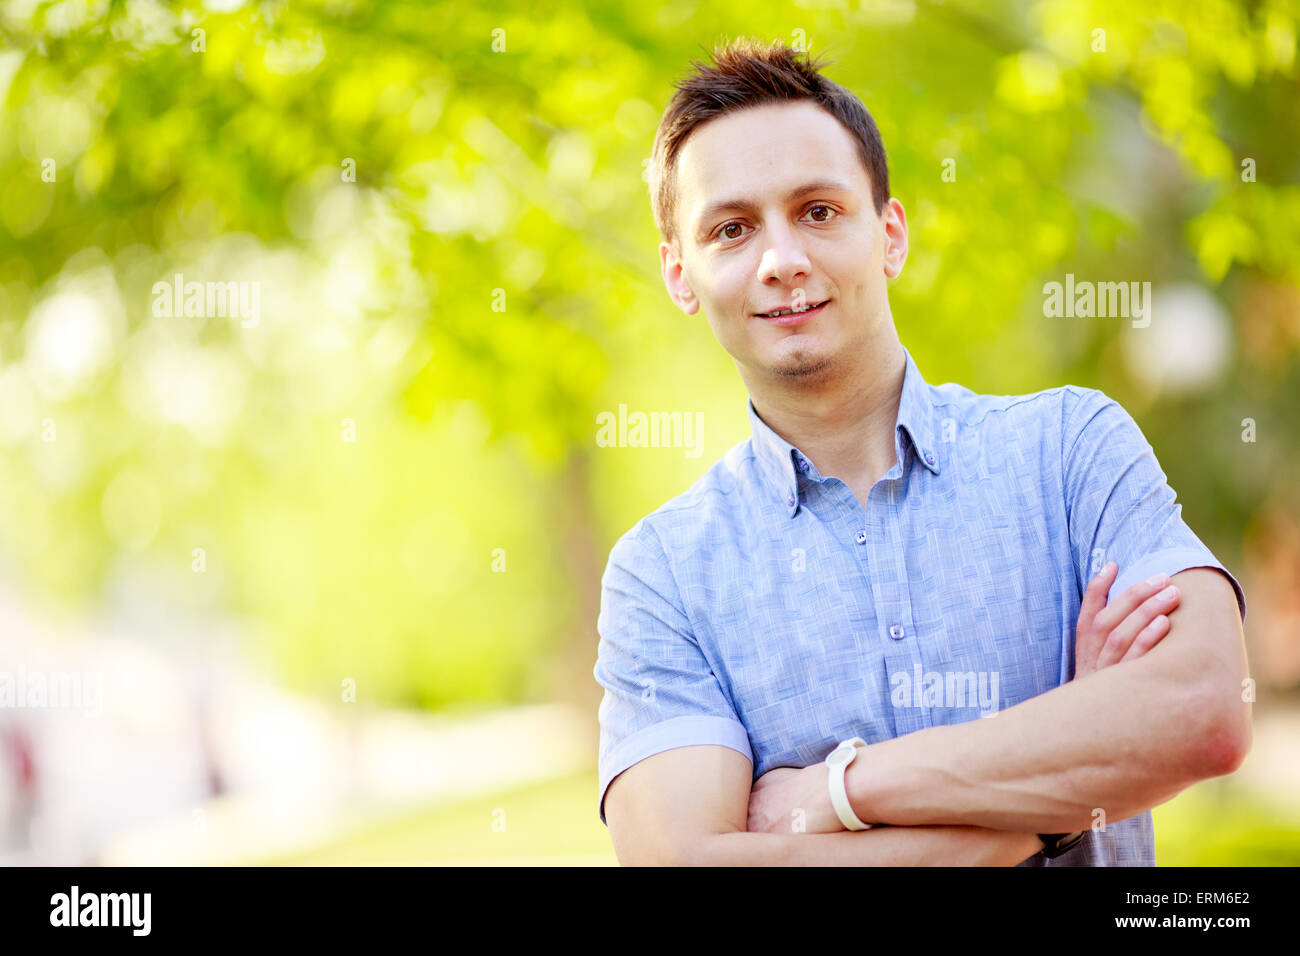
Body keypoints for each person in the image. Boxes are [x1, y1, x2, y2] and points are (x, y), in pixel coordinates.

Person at [593, 38, 1250, 866]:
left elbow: (1203, 713)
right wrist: (1059, 791)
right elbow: (683, 863)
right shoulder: (664, 575)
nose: (783, 260)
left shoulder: (1070, 450)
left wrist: (834, 795)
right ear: (681, 275)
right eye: (731, 229)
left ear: (890, 235)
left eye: (819, 211)